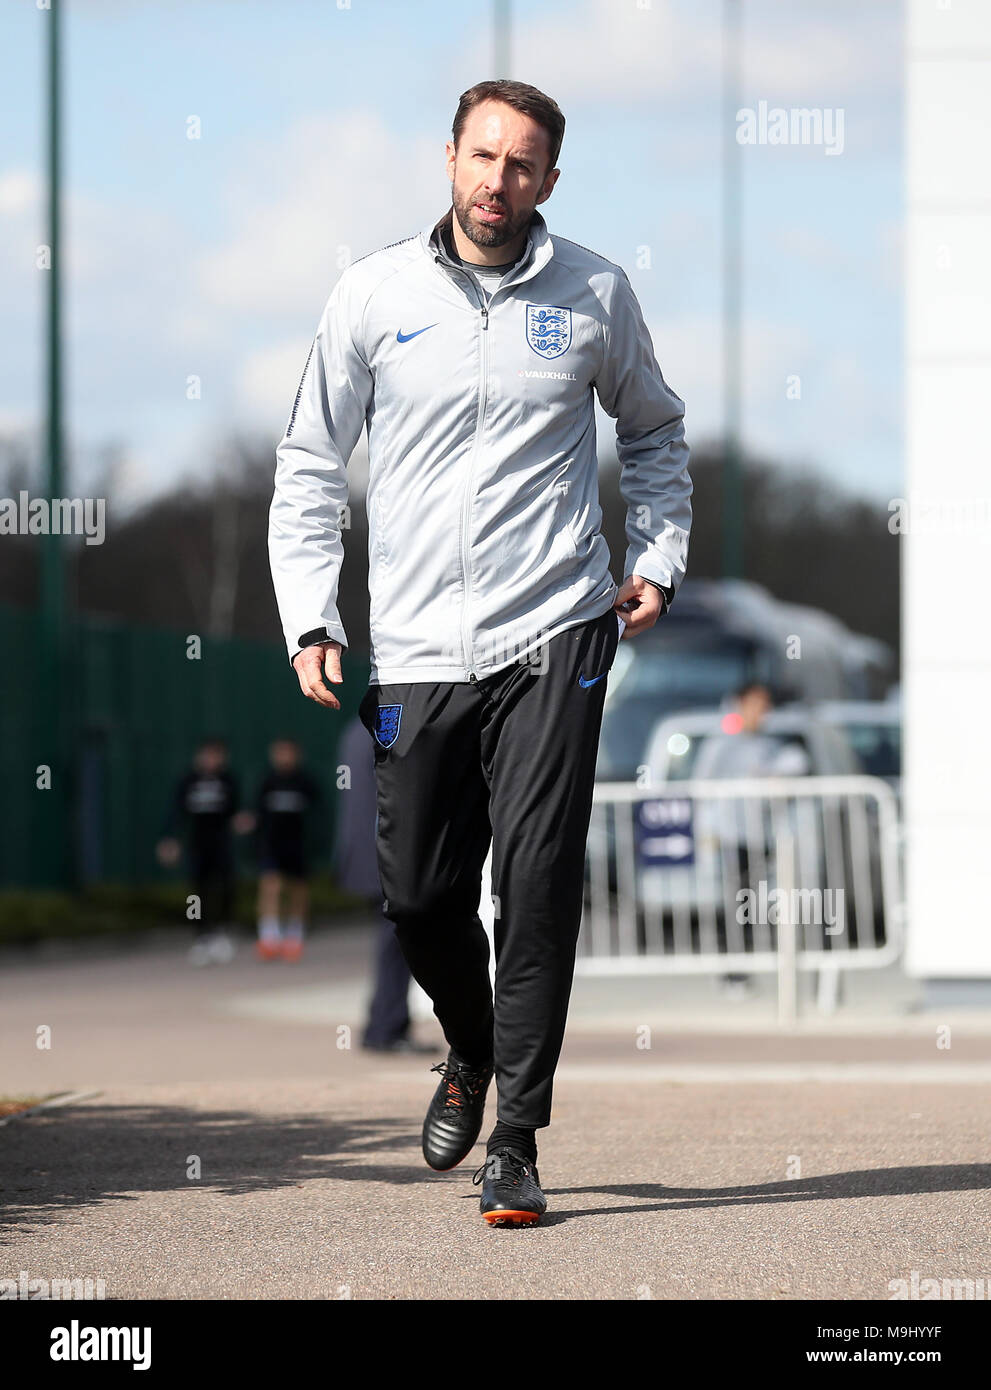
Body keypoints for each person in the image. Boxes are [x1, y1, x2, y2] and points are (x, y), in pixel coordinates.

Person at [269, 80, 692, 1225]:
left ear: (549, 180)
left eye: (521, 165)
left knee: (539, 882)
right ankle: (468, 1044)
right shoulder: (372, 293)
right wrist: (313, 612)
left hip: (557, 624)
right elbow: (311, 460)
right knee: (416, 895)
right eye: (481, 156)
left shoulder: (595, 291)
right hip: (411, 645)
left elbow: (651, 429)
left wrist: (652, 554)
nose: (496, 181)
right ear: (448, 158)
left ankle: (517, 1140)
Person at [693, 683, 810, 997]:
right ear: (740, 704)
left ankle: (746, 969)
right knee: (733, 906)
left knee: (752, 905)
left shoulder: (766, 745)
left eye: (766, 705)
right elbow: (703, 790)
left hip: (760, 836)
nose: (762, 712)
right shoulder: (721, 745)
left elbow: (789, 769)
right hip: (730, 838)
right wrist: (708, 835)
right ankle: (732, 973)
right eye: (756, 704)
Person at [333, 714, 437, 1054]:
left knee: (394, 941)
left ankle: (386, 1024)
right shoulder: (387, 726)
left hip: (367, 852)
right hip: (385, 853)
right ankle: (386, 1028)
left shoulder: (358, 728)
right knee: (398, 943)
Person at [157, 738, 251, 967]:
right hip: (197, 844)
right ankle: (201, 936)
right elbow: (176, 812)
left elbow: (239, 811)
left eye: (216, 755)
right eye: (207, 755)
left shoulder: (229, 780)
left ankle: (222, 933)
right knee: (197, 891)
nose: (211, 760)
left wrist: (242, 821)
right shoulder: (188, 781)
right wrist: (169, 840)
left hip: (222, 843)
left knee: (225, 887)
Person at [253, 737, 322, 962]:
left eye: (287, 752)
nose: (283, 757)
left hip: (298, 845)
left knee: (298, 890)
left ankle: (294, 936)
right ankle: (269, 937)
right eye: (278, 753)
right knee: (270, 885)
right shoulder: (267, 781)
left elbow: (319, 813)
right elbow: (256, 812)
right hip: (271, 844)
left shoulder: (306, 782)